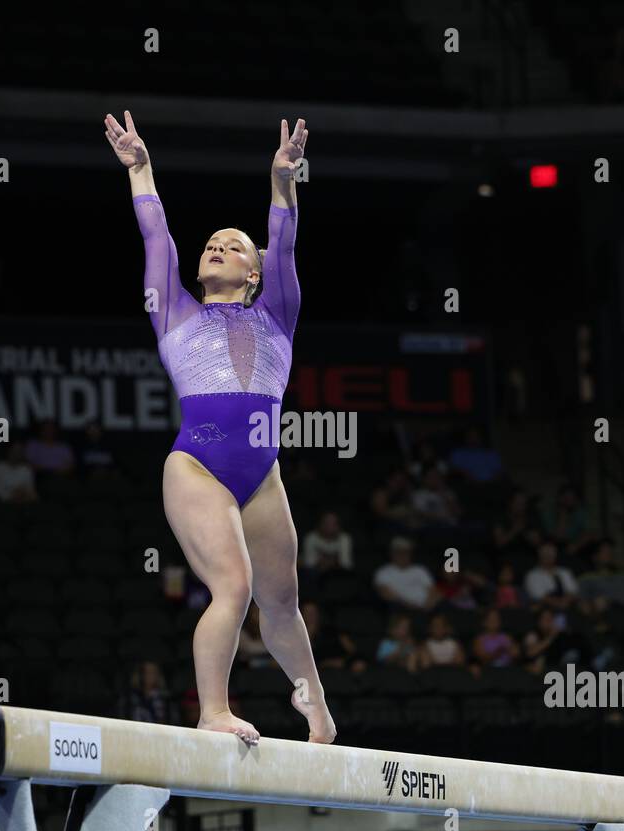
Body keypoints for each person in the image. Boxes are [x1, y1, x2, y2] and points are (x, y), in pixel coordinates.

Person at [109, 109, 331, 745]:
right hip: (197, 467)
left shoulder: (279, 312)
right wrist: (141, 168)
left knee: (282, 601)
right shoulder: (175, 313)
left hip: (262, 476)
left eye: (233, 245)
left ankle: (315, 708)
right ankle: (212, 710)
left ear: (254, 272)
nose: (216, 248)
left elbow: (284, 240)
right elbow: (158, 240)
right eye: (211, 243)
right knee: (232, 587)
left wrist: (282, 181)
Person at [373, 537, 439, 612]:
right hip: (402, 608)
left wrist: (429, 605)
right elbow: (385, 593)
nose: (403, 555)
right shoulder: (383, 572)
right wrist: (408, 605)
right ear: (392, 553)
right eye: (399, 552)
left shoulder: (420, 569)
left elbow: (433, 590)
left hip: (427, 607)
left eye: (406, 552)